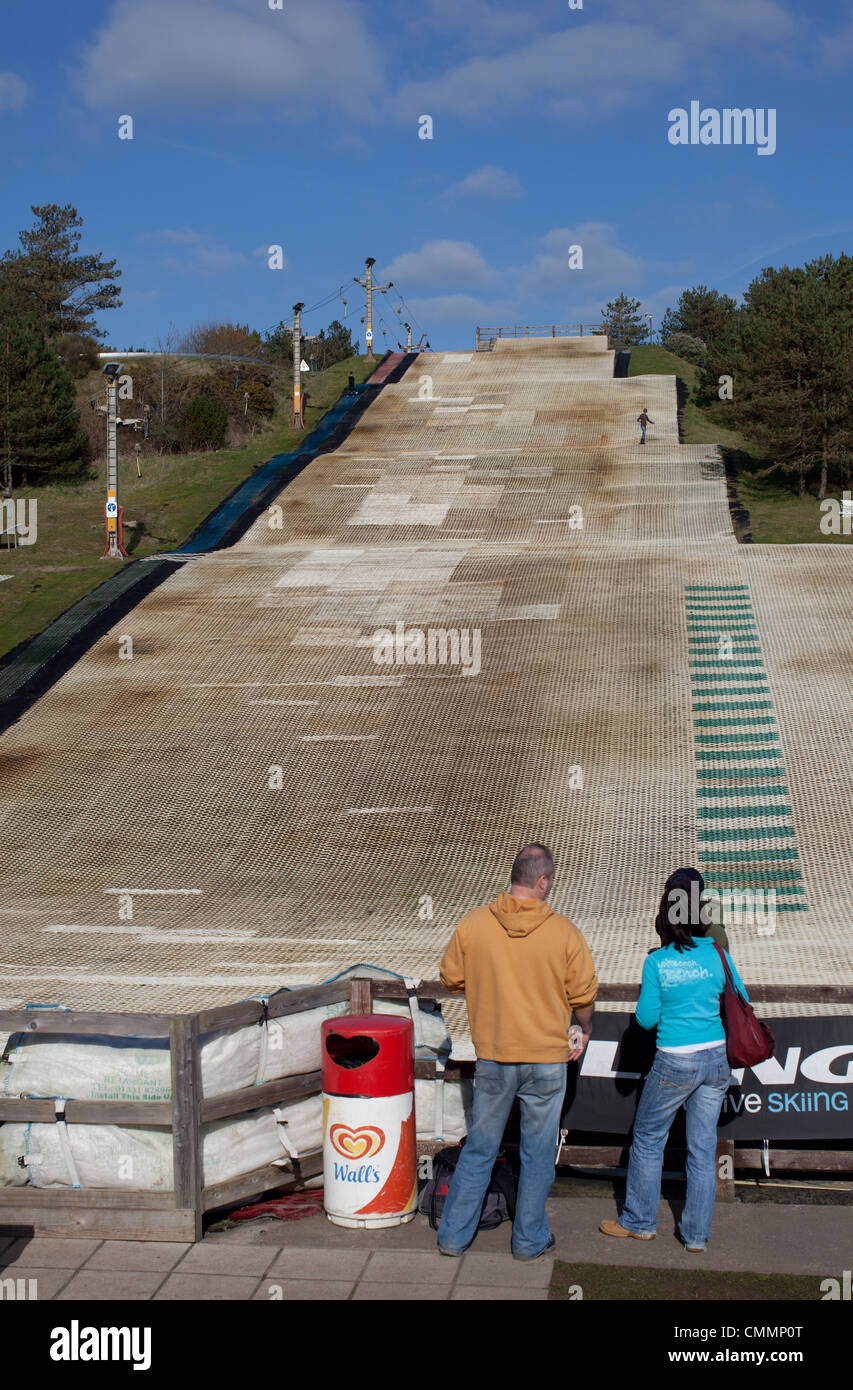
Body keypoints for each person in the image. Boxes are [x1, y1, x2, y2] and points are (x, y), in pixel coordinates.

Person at [436, 843, 598, 1260]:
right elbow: (583, 995)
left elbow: (450, 978)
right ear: (542, 881)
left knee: (480, 1148)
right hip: (547, 1059)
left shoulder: (474, 924)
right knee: (537, 1154)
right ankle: (528, 1241)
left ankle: (453, 1237)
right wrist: (584, 1029)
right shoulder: (564, 932)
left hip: (494, 1055)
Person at [600, 866, 748, 1252]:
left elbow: (646, 1019)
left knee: (649, 1140)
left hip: (674, 1060)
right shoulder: (718, 954)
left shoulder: (657, 962)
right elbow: (740, 1000)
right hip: (715, 1059)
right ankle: (696, 1235)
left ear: (664, 919)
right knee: (702, 1147)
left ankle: (639, 1221)